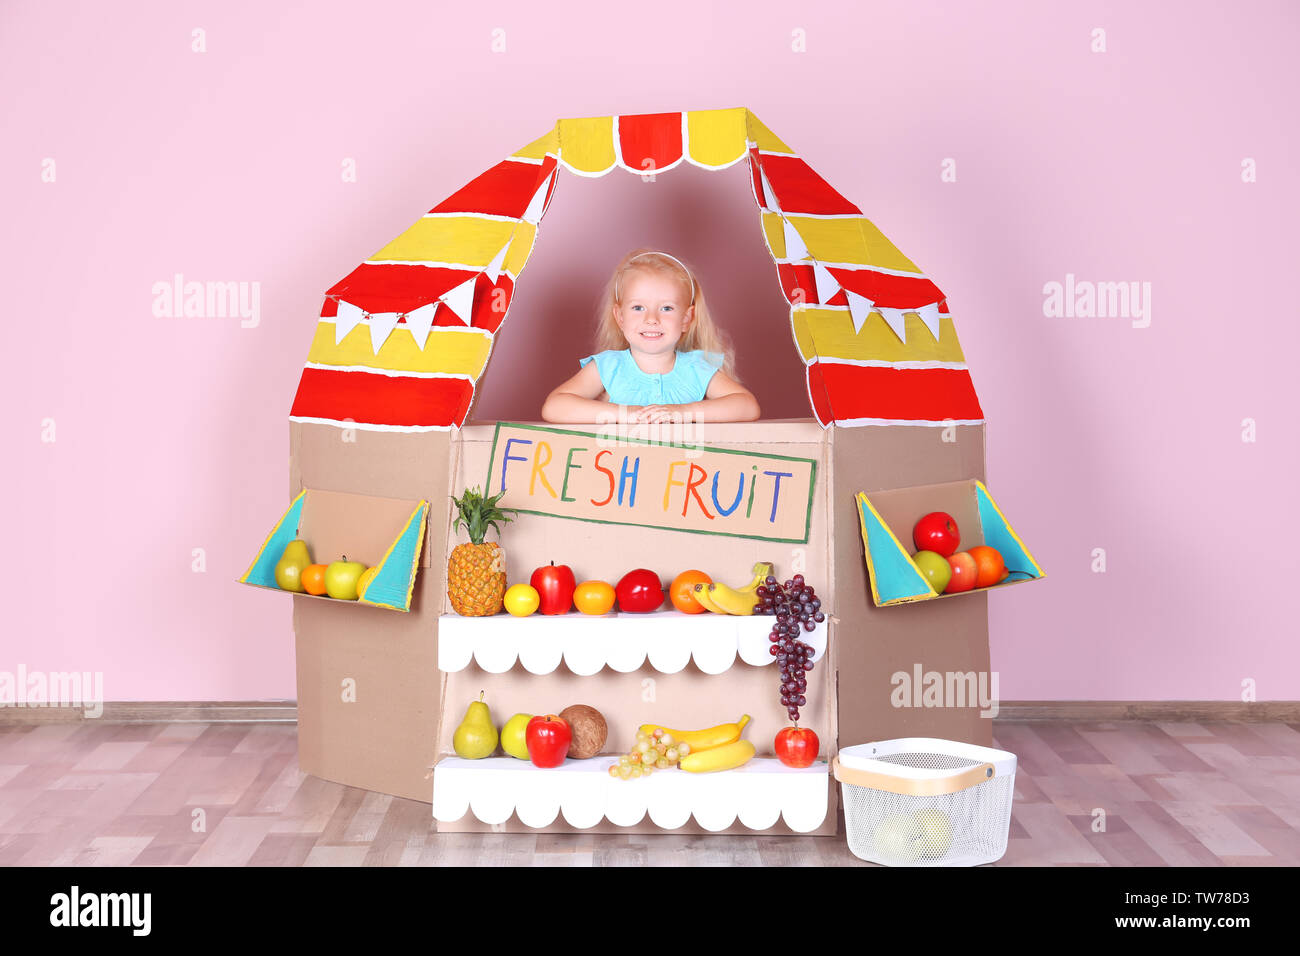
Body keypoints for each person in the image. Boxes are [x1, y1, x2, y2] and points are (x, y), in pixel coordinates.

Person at [540, 250, 761, 424]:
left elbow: (747, 406)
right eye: (638, 307)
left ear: (686, 318)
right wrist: (624, 414)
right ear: (620, 316)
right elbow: (555, 407)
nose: (652, 319)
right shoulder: (608, 367)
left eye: (666, 308)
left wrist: (683, 412)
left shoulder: (696, 368)